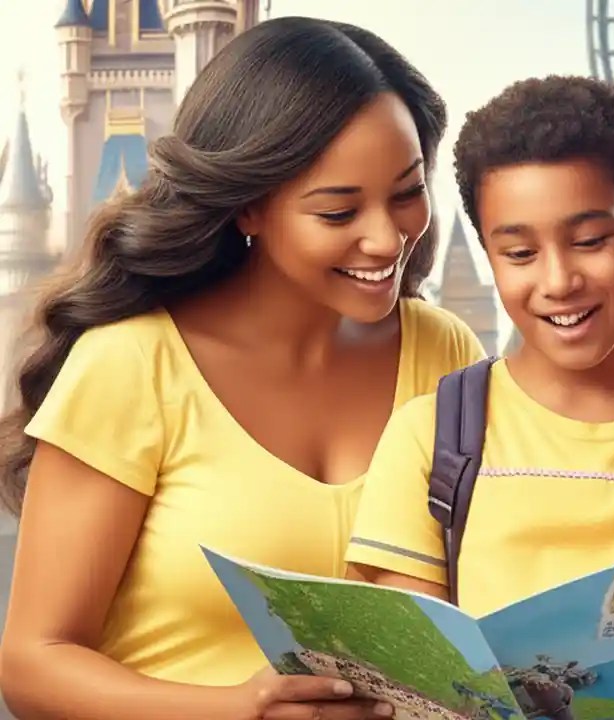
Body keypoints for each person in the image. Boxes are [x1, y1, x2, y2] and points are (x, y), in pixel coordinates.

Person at [0, 17, 484, 720]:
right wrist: (236, 710)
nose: (387, 238)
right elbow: (32, 665)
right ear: (250, 206)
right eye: (339, 209)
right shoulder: (131, 365)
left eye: (406, 192)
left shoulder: (447, 353)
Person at [345, 75, 614, 615]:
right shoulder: (429, 439)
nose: (558, 281)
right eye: (520, 253)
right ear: (489, 257)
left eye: (589, 242)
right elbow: (420, 674)